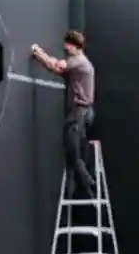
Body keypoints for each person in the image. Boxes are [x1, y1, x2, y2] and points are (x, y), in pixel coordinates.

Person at [31, 30, 97, 197]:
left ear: (76, 46)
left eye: (68, 46)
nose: (66, 49)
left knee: (74, 152)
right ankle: (81, 186)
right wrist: (43, 57)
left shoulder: (78, 61)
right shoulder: (80, 63)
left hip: (79, 112)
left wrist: (38, 52)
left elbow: (56, 66)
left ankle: (90, 184)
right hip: (83, 113)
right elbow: (57, 67)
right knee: (72, 153)